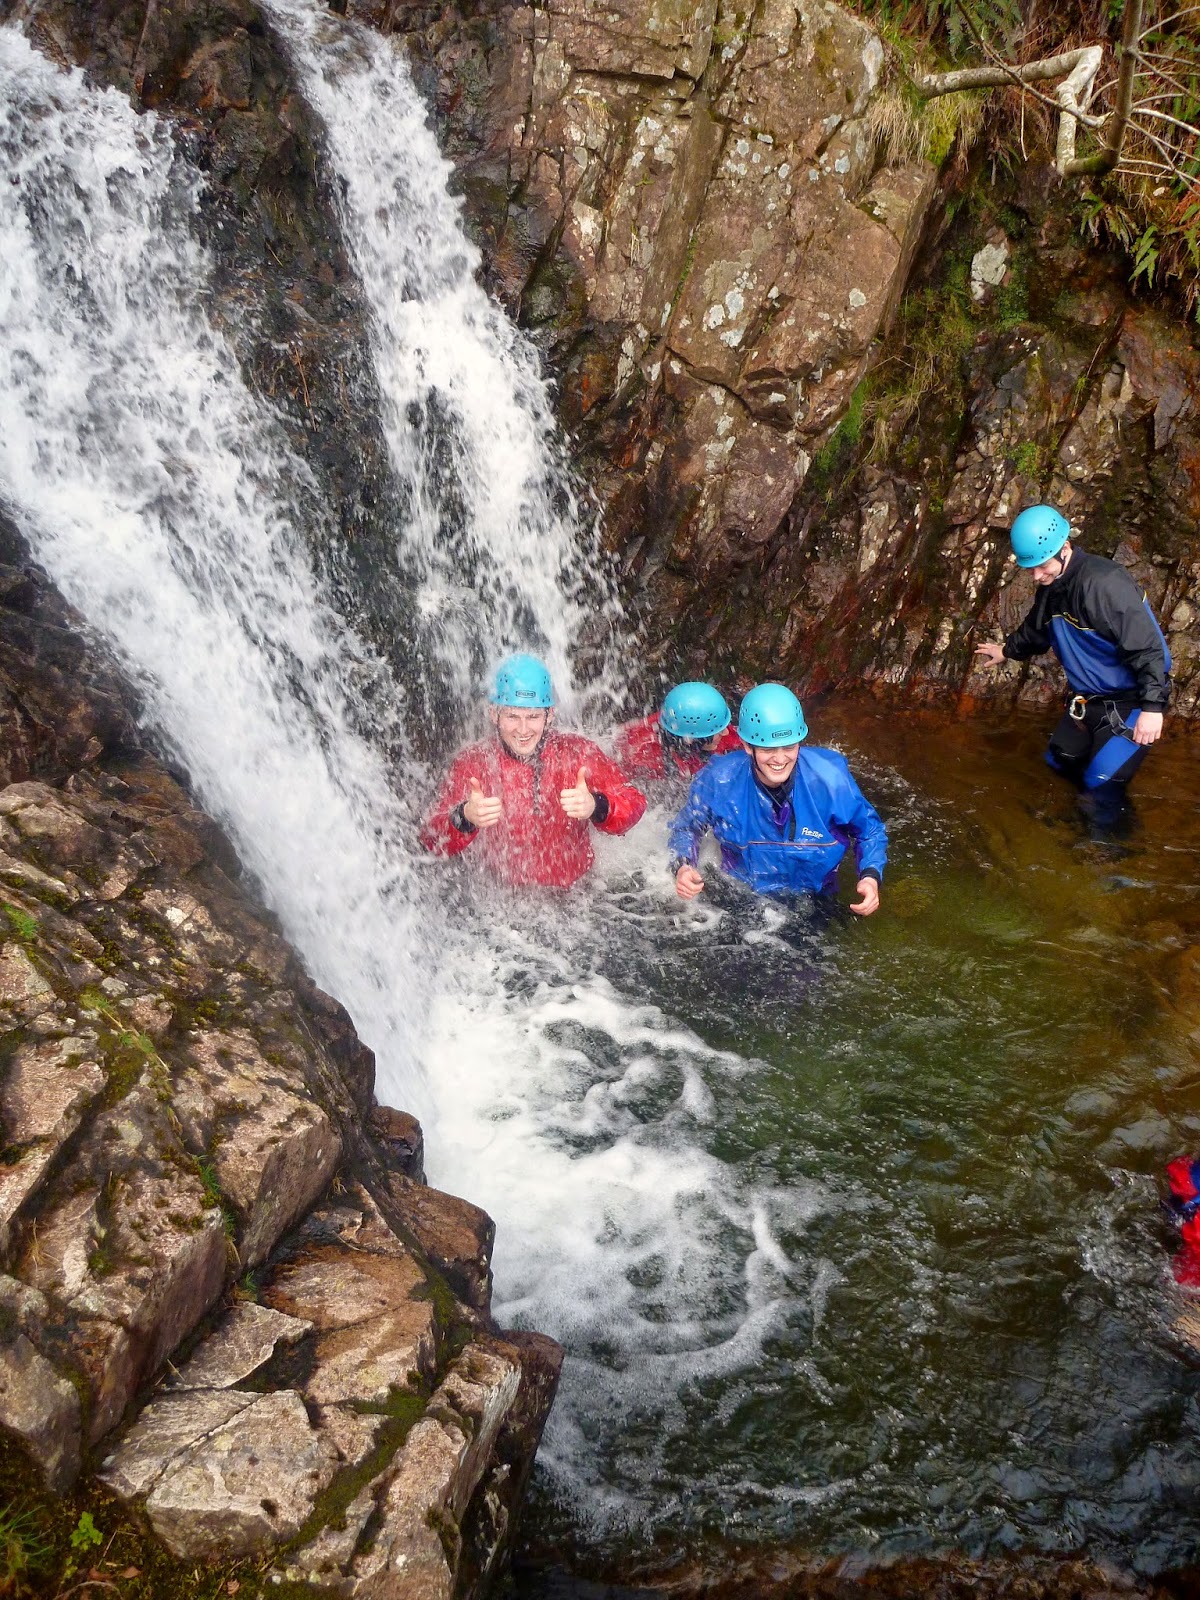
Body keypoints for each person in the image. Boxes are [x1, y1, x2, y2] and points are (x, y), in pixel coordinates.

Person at [973, 504, 1171, 827]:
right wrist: (1006, 651)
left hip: (1131, 702)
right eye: (1031, 569)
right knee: (1058, 761)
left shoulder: (1106, 585)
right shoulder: (1053, 590)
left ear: (1064, 547)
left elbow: (1149, 649)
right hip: (1090, 702)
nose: (1037, 576)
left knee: (1101, 785)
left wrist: (1152, 707)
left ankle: (1112, 858)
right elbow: (1037, 630)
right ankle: (1076, 820)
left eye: (1041, 566)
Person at [420, 652, 647, 888]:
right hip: (502, 898)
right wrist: (463, 817)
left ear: (550, 716)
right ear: (493, 714)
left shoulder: (577, 753)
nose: (523, 729)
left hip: (577, 893)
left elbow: (634, 801)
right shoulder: (473, 762)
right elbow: (430, 839)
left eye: (533, 716)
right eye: (512, 716)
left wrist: (597, 805)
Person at [668, 683, 887, 913]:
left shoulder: (831, 779)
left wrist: (870, 876)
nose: (780, 759)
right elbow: (686, 829)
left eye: (789, 746)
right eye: (767, 748)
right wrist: (683, 867)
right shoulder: (718, 780)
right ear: (747, 746)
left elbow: (869, 830)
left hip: (814, 897)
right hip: (741, 895)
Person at [616, 682, 742, 782]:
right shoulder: (643, 750)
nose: (725, 732)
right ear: (694, 739)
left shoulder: (709, 723)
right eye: (719, 731)